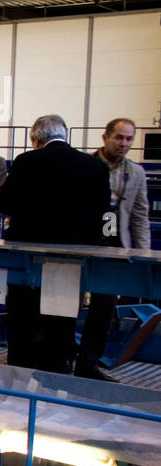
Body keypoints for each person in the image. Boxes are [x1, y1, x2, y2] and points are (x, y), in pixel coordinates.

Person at [0, 114, 111, 373]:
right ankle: (56, 374)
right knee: (60, 319)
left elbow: (4, 204)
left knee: (23, 320)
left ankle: (19, 374)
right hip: (70, 258)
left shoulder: (26, 162)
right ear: (65, 135)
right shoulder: (95, 167)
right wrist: (104, 243)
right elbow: (106, 214)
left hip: (26, 258)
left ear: (35, 139)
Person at [75, 118, 151, 380]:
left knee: (105, 307)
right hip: (84, 242)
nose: (124, 143)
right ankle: (60, 358)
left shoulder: (136, 172)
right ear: (105, 137)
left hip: (117, 245)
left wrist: (144, 254)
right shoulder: (84, 166)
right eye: (119, 137)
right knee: (69, 302)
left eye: (129, 139)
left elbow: (140, 216)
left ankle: (88, 363)